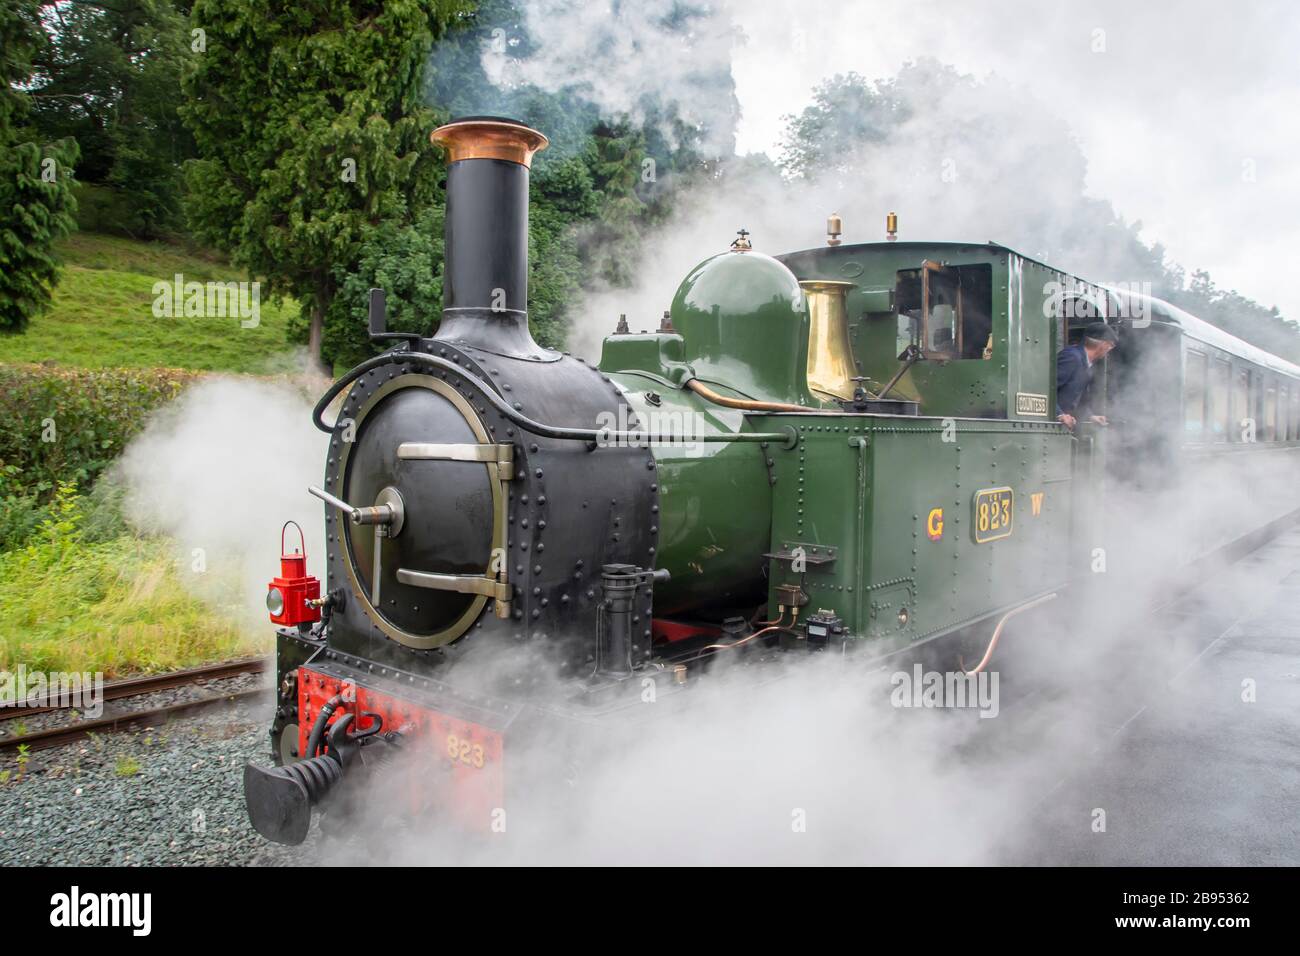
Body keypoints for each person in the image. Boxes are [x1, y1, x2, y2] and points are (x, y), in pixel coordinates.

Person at [1056, 322, 1118, 429]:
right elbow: (1046, 389)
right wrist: (1059, 414)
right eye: (1110, 346)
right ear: (1103, 344)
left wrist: (1090, 416)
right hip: (1054, 425)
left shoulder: (1086, 364)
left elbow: (1079, 400)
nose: (1109, 351)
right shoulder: (1072, 358)